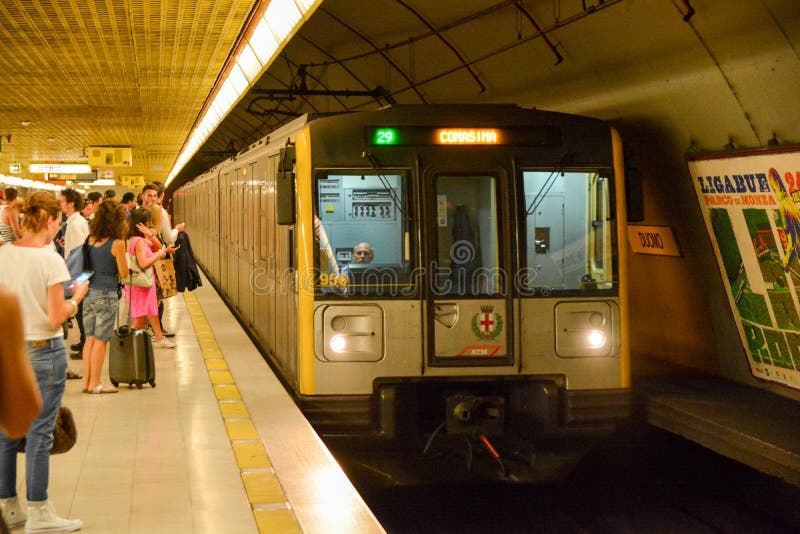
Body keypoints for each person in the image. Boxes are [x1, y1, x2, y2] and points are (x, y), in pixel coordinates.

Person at [0, 191, 88, 533]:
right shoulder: (50, 260)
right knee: (40, 432)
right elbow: (55, 316)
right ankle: (39, 512)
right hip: (43, 351)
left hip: (9, 348)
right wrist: (76, 298)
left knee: (7, 431)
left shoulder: (3, 254)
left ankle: (8, 508)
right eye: (57, 223)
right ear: (50, 221)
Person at [80, 200, 128, 394]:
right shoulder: (117, 243)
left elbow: (86, 269)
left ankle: (87, 382)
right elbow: (123, 273)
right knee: (101, 340)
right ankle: (95, 383)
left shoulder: (90, 240)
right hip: (106, 294)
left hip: (89, 293)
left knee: (90, 339)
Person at [124, 208, 177, 349]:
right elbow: (143, 263)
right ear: (140, 223)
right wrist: (159, 255)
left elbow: (158, 247)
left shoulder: (134, 239)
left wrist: (151, 236)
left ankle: (159, 338)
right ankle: (131, 347)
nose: (149, 225)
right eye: (147, 222)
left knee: (151, 312)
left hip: (143, 283)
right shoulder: (139, 241)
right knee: (139, 320)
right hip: (141, 285)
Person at [63, 190, 89, 358]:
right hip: (79, 272)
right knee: (81, 310)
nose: (60, 204)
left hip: (78, 273)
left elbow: (79, 253)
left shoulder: (74, 224)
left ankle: (85, 344)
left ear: (71, 203)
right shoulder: (77, 221)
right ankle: (83, 340)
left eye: (62, 201)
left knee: (80, 311)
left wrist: (78, 280)